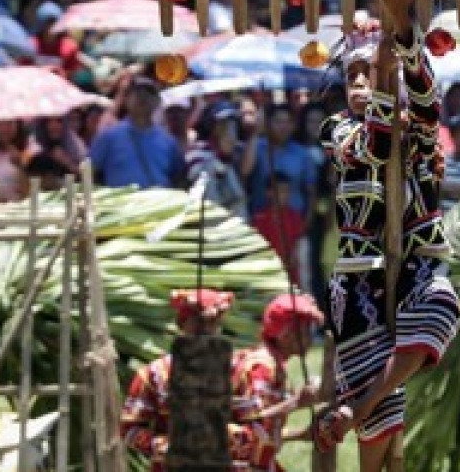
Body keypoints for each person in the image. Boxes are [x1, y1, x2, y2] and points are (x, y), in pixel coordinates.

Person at [314, 0, 460, 471]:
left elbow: (426, 100)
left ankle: (362, 404)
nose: (360, 83)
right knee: (378, 440)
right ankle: (368, 409)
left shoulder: (418, 130)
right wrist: (380, 61)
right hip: (358, 277)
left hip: (418, 261)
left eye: (371, 75)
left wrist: (401, 37)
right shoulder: (338, 132)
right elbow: (374, 146)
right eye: (353, 75)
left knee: (439, 308)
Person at [120, 288, 236, 469]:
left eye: (213, 322)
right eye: (198, 322)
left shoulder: (236, 372)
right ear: (182, 324)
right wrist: (168, 448)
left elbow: (253, 425)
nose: (206, 329)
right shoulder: (154, 374)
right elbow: (130, 430)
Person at [229, 293, 325, 470]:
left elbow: (268, 431)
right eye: (304, 329)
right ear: (284, 334)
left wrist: (303, 434)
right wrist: (296, 402)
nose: (310, 337)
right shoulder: (262, 367)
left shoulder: (276, 365)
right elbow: (252, 421)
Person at [89, 78, 185, 189]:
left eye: (149, 93)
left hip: (158, 203)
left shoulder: (168, 141)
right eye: (137, 93)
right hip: (121, 204)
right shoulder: (108, 137)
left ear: (158, 101)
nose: (143, 97)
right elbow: (91, 172)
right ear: (126, 100)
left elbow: (179, 176)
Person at [251, 173, 308, 285]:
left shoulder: (294, 217)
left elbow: (299, 243)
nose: (285, 195)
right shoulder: (260, 219)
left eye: (287, 191)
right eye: (281, 191)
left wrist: (295, 256)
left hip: (292, 276)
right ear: (269, 193)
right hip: (269, 275)